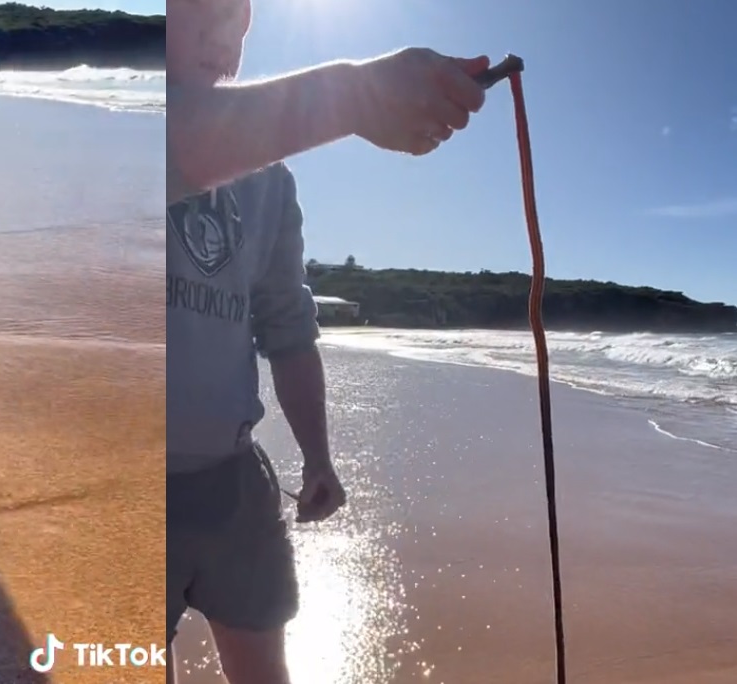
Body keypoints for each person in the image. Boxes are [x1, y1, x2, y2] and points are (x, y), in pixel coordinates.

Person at [166, 1, 488, 683]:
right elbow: (183, 144)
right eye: (198, 9)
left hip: (234, 480)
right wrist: (352, 95)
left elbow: (287, 327)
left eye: (239, 22)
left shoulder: (272, 180)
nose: (222, 35)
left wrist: (319, 458)